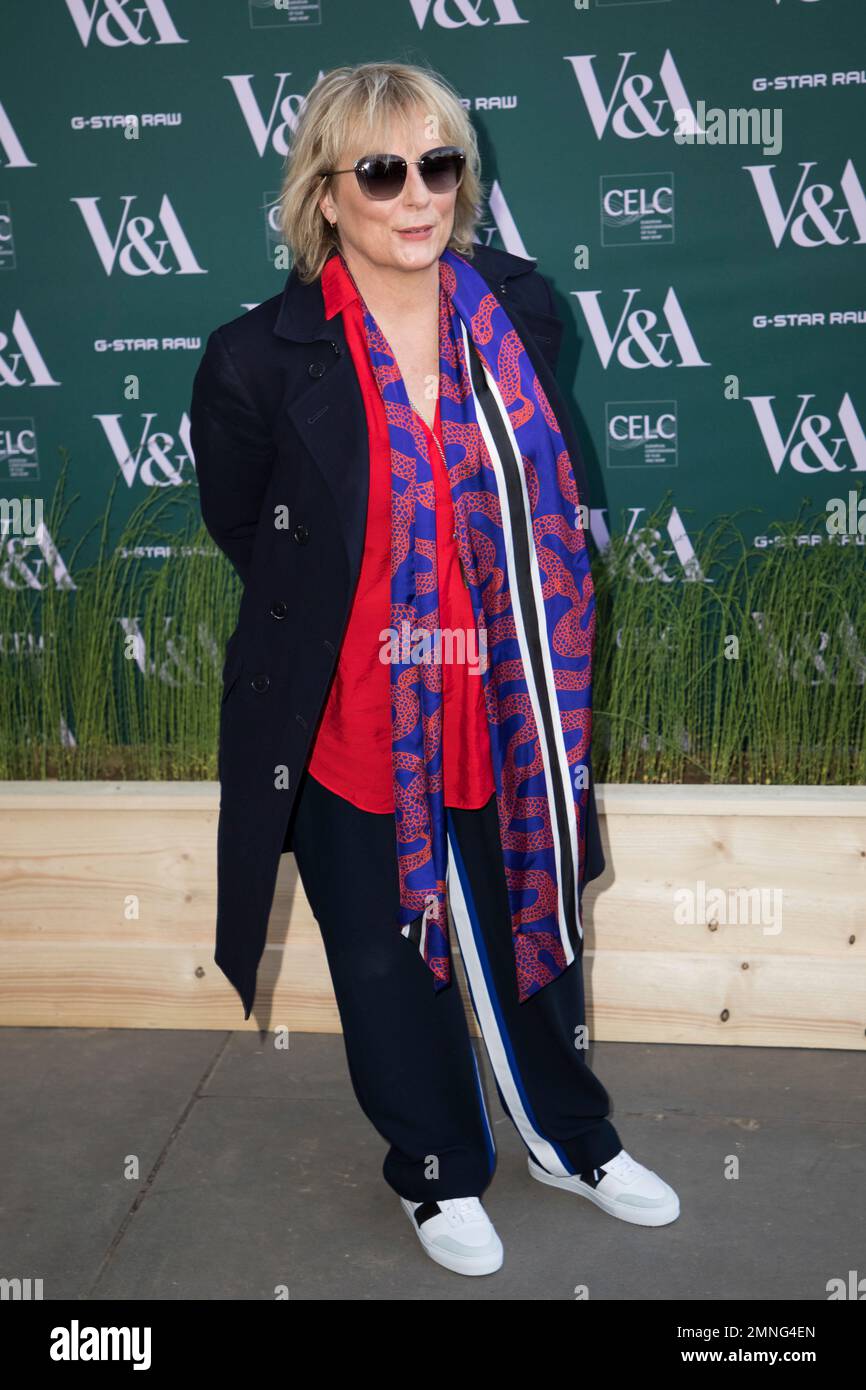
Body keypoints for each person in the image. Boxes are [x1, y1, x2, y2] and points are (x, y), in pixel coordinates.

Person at [191, 59, 679, 1279]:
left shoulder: (518, 307)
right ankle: (434, 1169)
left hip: (509, 700)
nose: (418, 196)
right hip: (356, 713)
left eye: (439, 164)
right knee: (384, 956)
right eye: (382, 171)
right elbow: (251, 530)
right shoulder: (256, 358)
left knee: (537, 927)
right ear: (324, 191)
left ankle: (572, 1139)